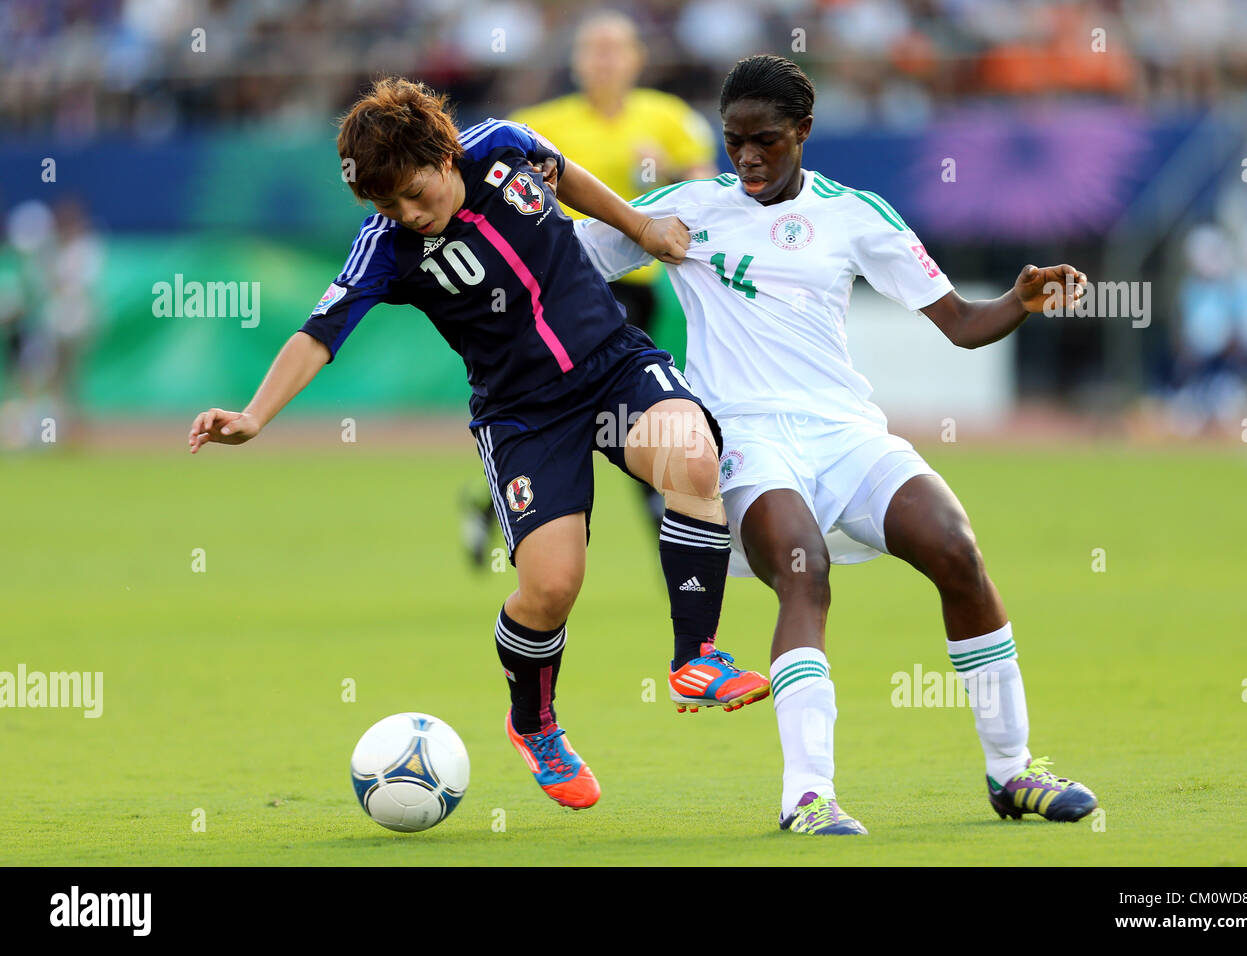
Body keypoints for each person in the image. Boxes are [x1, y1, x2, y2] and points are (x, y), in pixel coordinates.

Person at [187, 77, 768, 811]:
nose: (406, 214)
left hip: (613, 363)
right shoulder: (387, 248)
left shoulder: (502, 145)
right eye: (386, 204)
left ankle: (696, 656)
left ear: (442, 154)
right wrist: (254, 415)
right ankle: (534, 724)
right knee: (552, 587)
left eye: (411, 193)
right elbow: (319, 331)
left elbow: (569, 177)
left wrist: (643, 228)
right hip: (523, 418)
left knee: (691, 454)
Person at [572, 55, 1099, 833]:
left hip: (846, 432)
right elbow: (571, 259)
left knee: (957, 551)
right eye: (734, 140)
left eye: (767, 140)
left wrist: (1018, 301)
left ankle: (1013, 772)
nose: (748, 156)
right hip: (745, 437)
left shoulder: (858, 215)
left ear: (805, 134)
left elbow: (958, 323)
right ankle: (808, 796)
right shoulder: (686, 206)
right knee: (803, 572)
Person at [460, 10, 719, 565]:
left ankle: (498, 504)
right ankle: (659, 513)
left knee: (596, 403)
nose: (603, 60)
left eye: (614, 48)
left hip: (635, 286)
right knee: (605, 403)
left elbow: (708, 189)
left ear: (636, 59)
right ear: (577, 61)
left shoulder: (667, 117)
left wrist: (667, 166)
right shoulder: (539, 121)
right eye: (593, 49)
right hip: (558, 288)